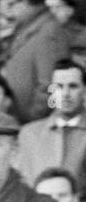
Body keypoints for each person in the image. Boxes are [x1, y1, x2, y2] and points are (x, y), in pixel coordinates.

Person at [14, 59, 86, 190]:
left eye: (73, 86)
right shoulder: (29, 134)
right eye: (58, 87)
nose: (65, 94)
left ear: (84, 91)